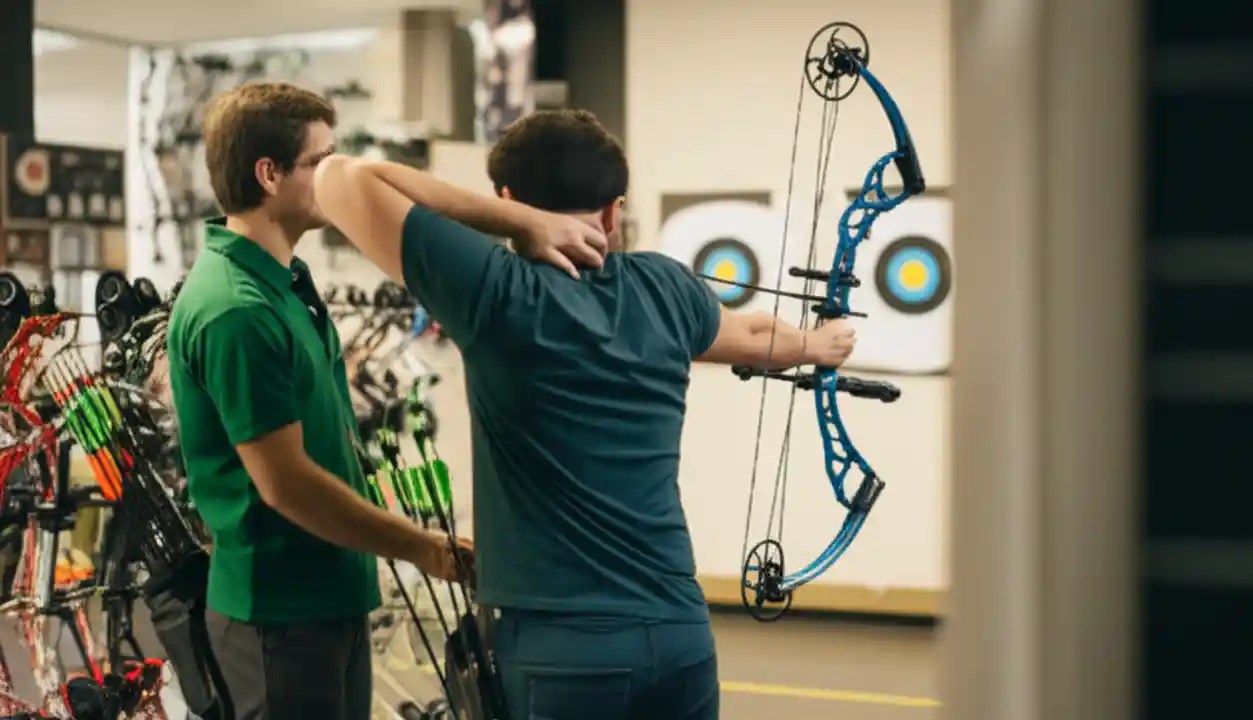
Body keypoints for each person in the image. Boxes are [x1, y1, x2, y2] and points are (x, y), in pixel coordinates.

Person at [312, 109, 856, 720]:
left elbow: (336, 177)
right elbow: (755, 334)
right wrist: (820, 343)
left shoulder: (493, 290)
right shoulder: (666, 289)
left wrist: (514, 220)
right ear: (614, 210)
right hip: (679, 635)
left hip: (562, 651)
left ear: (510, 199)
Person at [165, 85, 606, 720]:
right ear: (269, 174)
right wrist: (419, 545)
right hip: (279, 617)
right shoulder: (236, 309)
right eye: (322, 161)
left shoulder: (285, 281)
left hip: (328, 598)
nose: (338, 174)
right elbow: (286, 485)